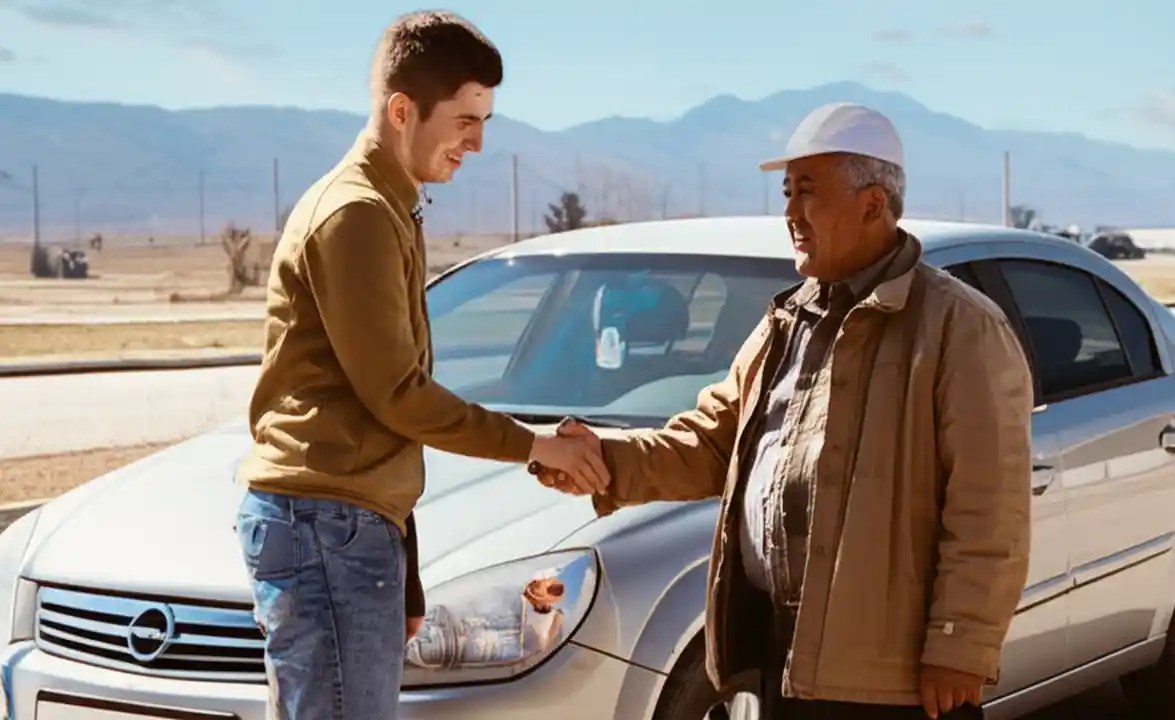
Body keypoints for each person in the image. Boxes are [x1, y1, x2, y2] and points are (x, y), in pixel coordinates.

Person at [543, 103, 1033, 719]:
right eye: (787, 192)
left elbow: (991, 506)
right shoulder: (786, 324)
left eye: (809, 192)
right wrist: (604, 461)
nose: (791, 213)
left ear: (873, 204)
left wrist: (961, 643)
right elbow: (711, 444)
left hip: (895, 679)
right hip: (789, 657)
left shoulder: (959, 328)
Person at [233, 11, 607, 720]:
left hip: (344, 523)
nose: (478, 141)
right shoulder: (358, 215)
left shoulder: (388, 209)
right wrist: (536, 445)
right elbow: (399, 397)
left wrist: (399, 570)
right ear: (402, 110)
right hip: (326, 528)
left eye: (486, 120)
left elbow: (373, 412)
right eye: (465, 119)